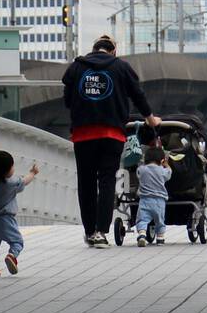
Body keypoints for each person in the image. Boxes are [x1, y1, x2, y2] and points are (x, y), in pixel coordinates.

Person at [61, 33, 160, 247]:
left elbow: (68, 100)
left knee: (85, 183)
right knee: (106, 182)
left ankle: (89, 232)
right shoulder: (121, 67)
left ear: (94, 49)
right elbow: (137, 94)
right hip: (112, 134)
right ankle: (100, 233)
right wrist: (150, 119)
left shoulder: (77, 67)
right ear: (113, 51)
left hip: (82, 134)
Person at [0, 151, 39, 277]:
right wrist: (33, 173)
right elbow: (25, 181)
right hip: (5, 219)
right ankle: (12, 255)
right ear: (6, 171)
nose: (14, 168)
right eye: (12, 166)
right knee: (17, 242)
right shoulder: (11, 183)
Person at [135, 147, 171, 247]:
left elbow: (138, 173)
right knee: (160, 221)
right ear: (161, 160)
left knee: (142, 219)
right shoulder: (162, 171)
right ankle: (160, 238)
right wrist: (167, 165)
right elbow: (169, 174)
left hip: (145, 200)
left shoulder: (142, 170)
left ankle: (142, 235)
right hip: (159, 201)